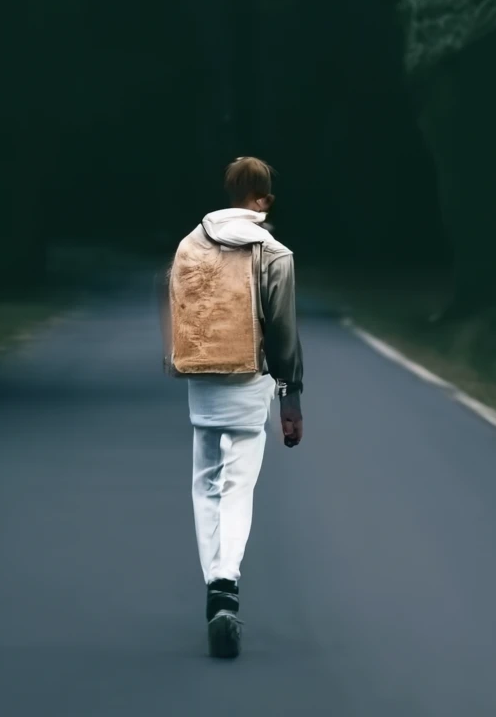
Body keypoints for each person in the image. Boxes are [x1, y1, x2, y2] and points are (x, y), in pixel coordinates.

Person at [159, 156, 304, 659]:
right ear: (263, 199)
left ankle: (214, 584)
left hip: (203, 380)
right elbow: (283, 335)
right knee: (239, 488)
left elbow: (178, 305)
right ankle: (227, 583)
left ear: (228, 192)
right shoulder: (274, 253)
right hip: (250, 381)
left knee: (206, 484)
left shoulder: (190, 244)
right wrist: (292, 395)